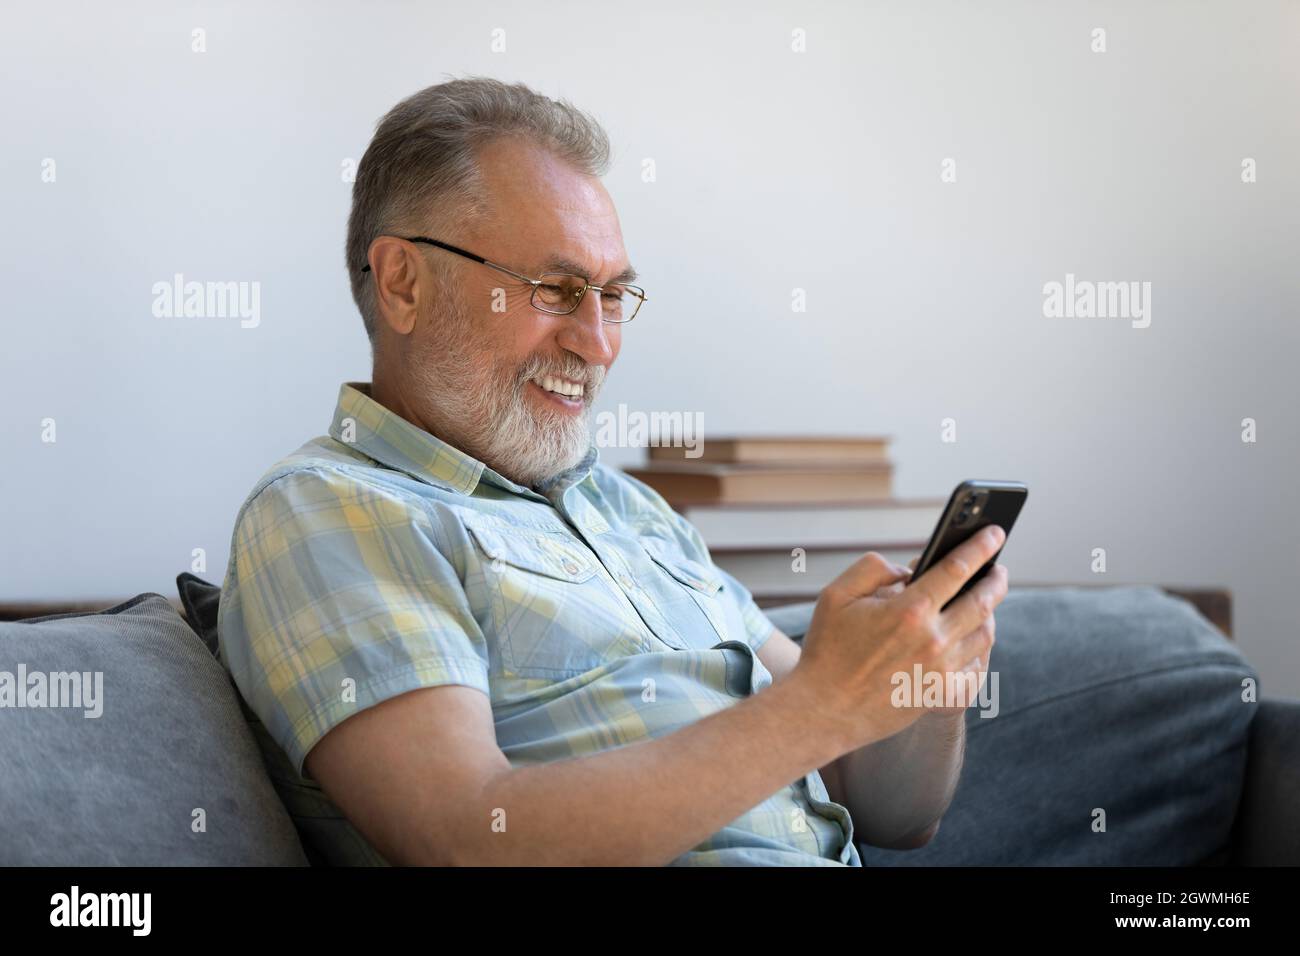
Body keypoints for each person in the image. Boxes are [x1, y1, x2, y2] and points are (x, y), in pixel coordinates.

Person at [217, 75, 1008, 866]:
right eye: (557, 290)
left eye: (614, 295)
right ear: (404, 283)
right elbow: (464, 838)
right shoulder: (331, 509)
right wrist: (820, 704)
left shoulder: (633, 512)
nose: (597, 343)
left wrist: (923, 680)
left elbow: (893, 814)